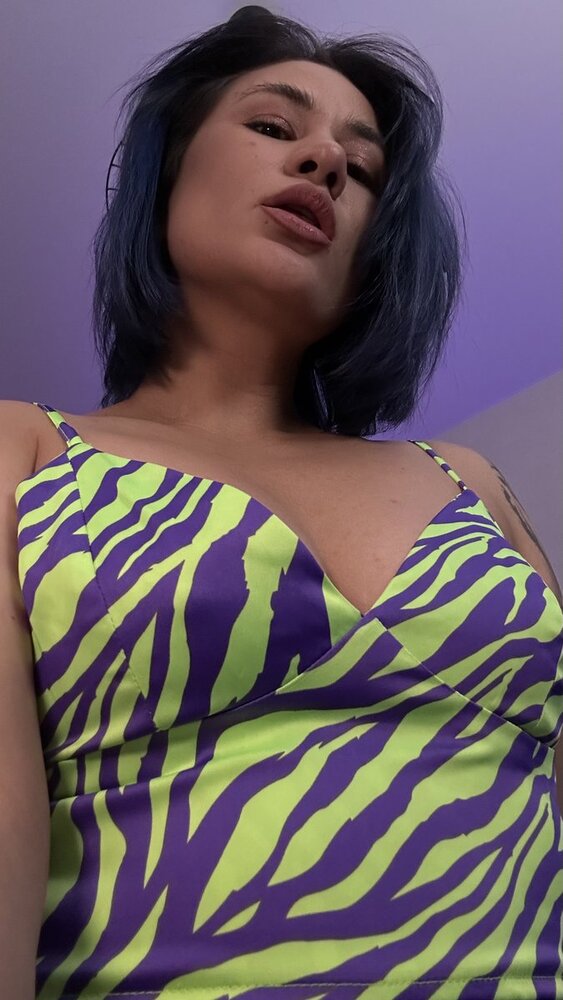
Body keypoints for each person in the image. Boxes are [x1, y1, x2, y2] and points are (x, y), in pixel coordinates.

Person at [1, 6, 562, 997]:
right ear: (165, 172)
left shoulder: (466, 480)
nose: (325, 163)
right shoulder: (25, 449)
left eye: (364, 169)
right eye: (272, 126)